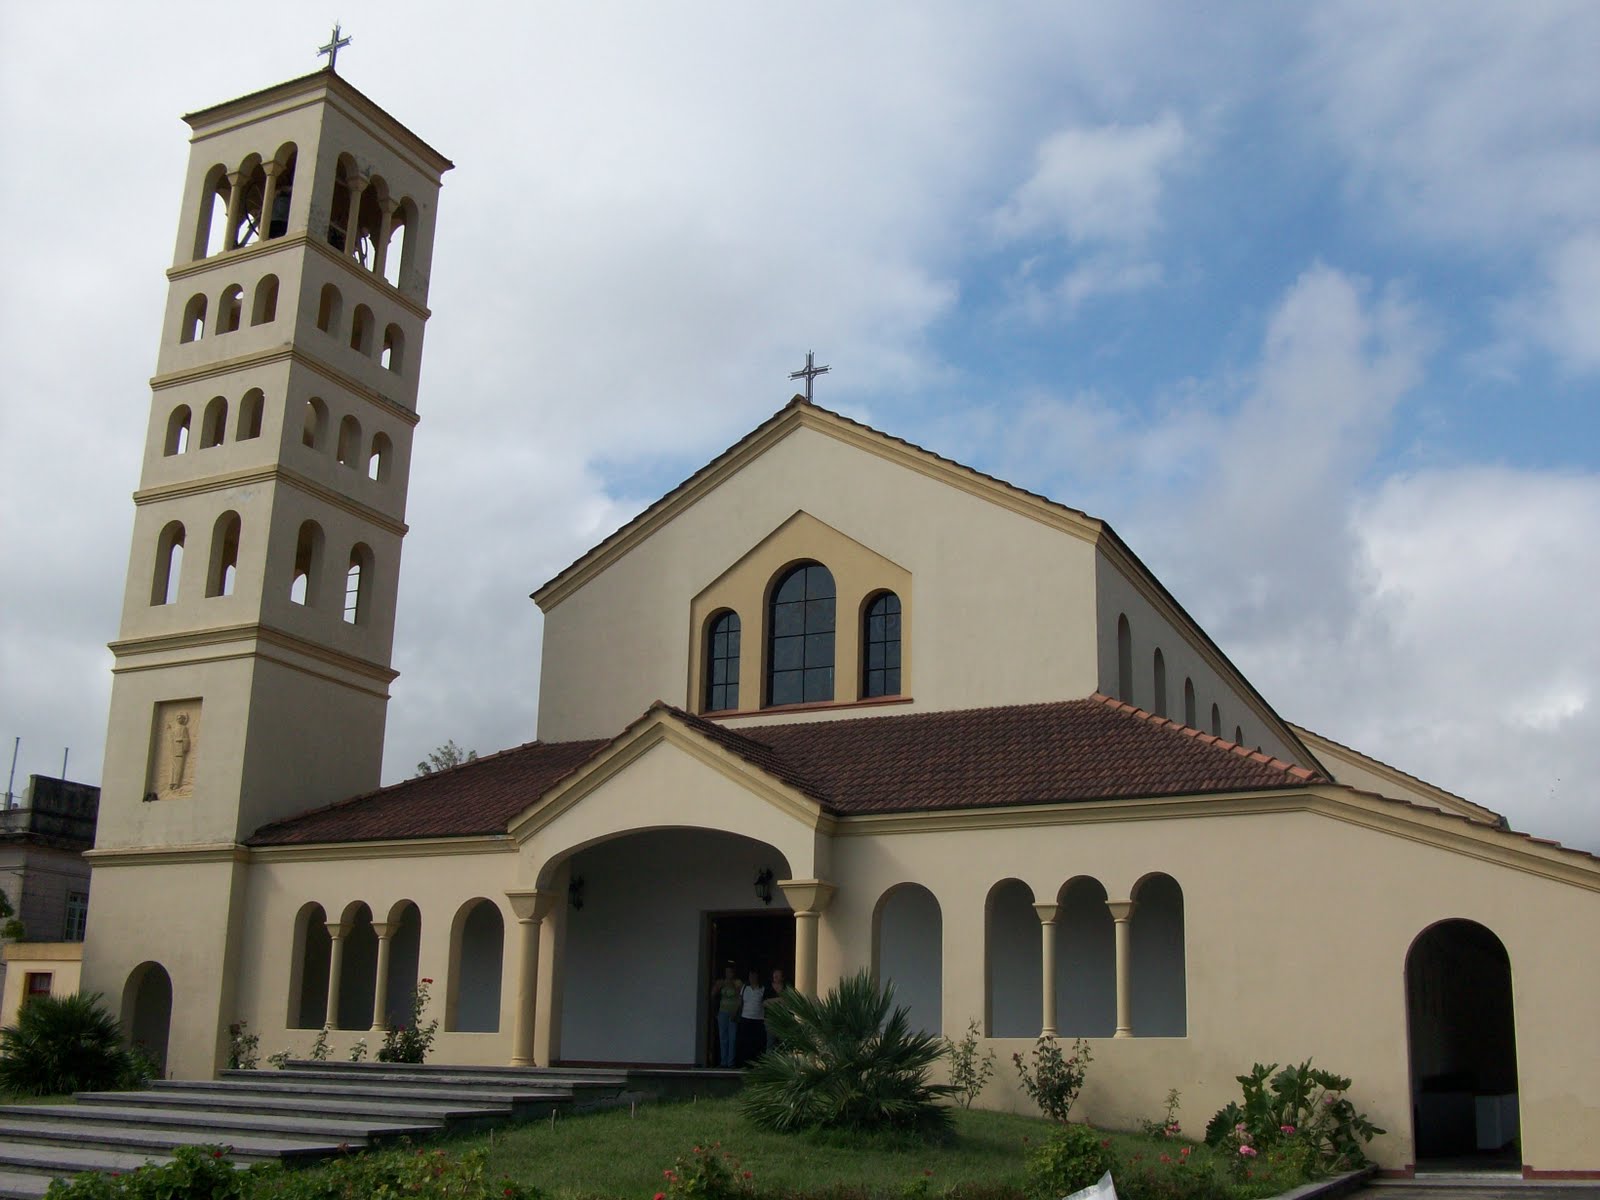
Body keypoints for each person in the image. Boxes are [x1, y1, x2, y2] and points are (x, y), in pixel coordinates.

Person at [709, 963, 740, 1068]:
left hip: (733, 1012)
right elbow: (712, 994)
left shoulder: (737, 982)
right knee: (723, 1037)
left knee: (732, 1038)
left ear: (733, 973)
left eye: (730, 972)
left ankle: (731, 1062)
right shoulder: (721, 982)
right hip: (722, 1011)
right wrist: (718, 986)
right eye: (726, 972)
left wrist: (737, 1011)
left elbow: (740, 996)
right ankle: (723, 1062)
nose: (728, 974)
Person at [737, 967, 767, 1065]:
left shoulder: (762, 988)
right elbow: (740, 1002)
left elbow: (765, 1003)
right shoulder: (745, 988)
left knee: (757, 1042)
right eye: (750, 976)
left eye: (754, 976)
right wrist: (737, 1014)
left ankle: (756, 1062)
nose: (752, 978)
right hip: (745, 1018)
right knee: (745, 1042)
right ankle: (744, 1062)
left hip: (758, 1019)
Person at [763, 968, 790, 1051]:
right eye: (774, 975)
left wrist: (772, 1001)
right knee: (770, 1043)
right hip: (770, 1019)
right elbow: (764, 1003)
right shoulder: (768, 987)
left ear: (782, 977)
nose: (775, 977)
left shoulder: (787, 988)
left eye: (778, 975)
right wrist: (779, 1000)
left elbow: (788, 1002)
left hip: (784, 1018)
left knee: (784, 1043)